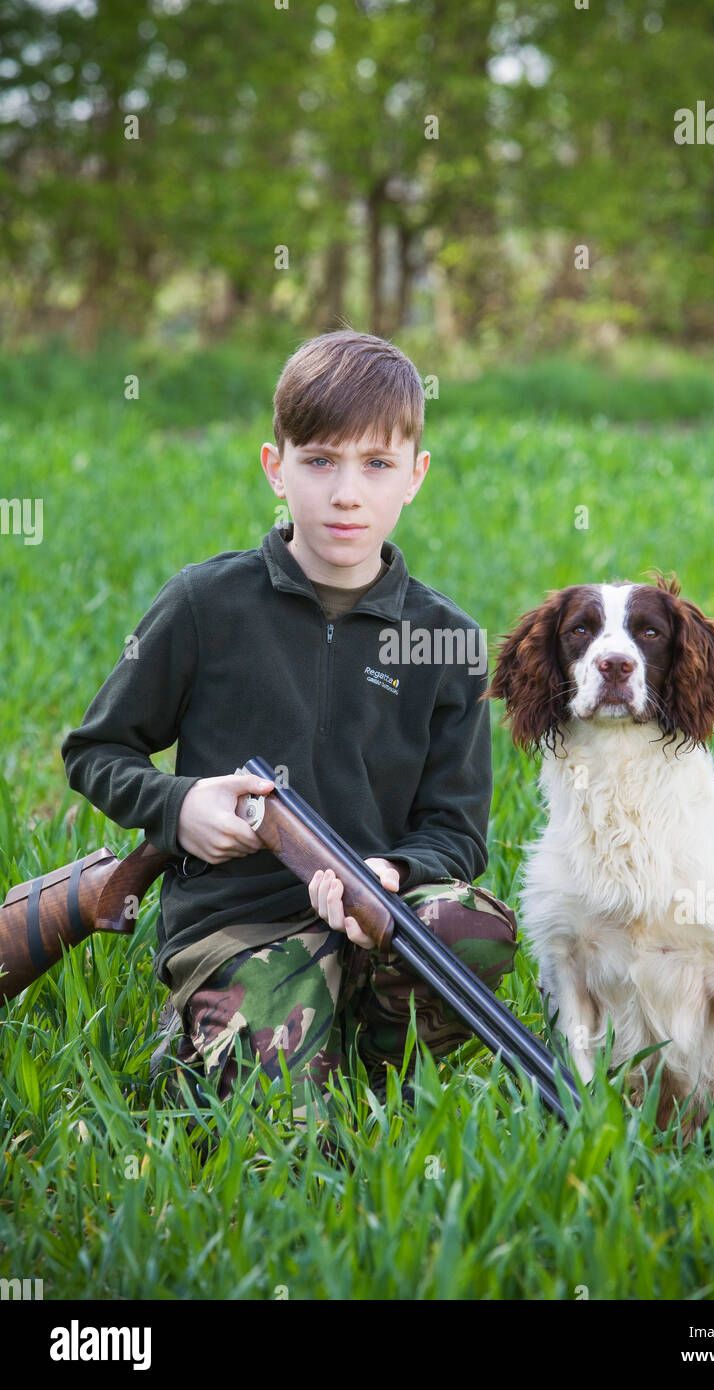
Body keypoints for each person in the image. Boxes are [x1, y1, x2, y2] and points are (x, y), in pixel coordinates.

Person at [61, 329, 517, 1122]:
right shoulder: (207, 605)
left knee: (472, 926)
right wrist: (180, 809)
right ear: (276, 467)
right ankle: (212, 1029)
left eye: (377, 465)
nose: (347, 493)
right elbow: (96, 750)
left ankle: (374, 1063)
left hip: (373, 924)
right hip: (232, 926)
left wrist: (394, 875)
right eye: (320, 461)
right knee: (279, 1138)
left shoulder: (448, 639)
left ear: (416, 477)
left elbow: (457, 832)